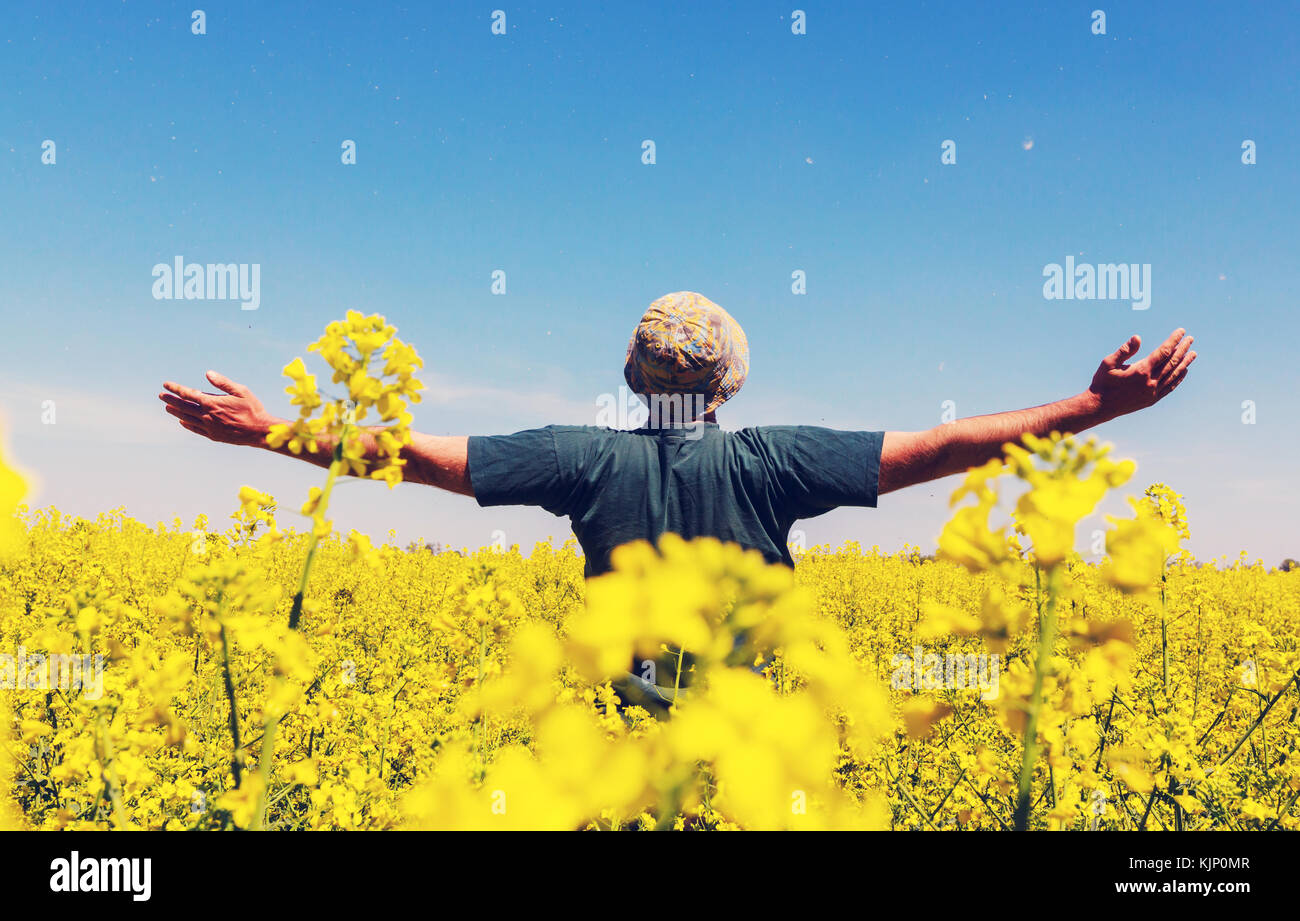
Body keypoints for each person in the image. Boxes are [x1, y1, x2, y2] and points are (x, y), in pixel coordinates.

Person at [159, 291, 1196, 707]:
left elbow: (417, 458)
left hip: (615, 739)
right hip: (751, 747)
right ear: (729, 383)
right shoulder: (774, 462)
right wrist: (1092, 410)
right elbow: (940, 447)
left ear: (629, 372)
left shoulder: (578, 456)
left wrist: (268, 435)